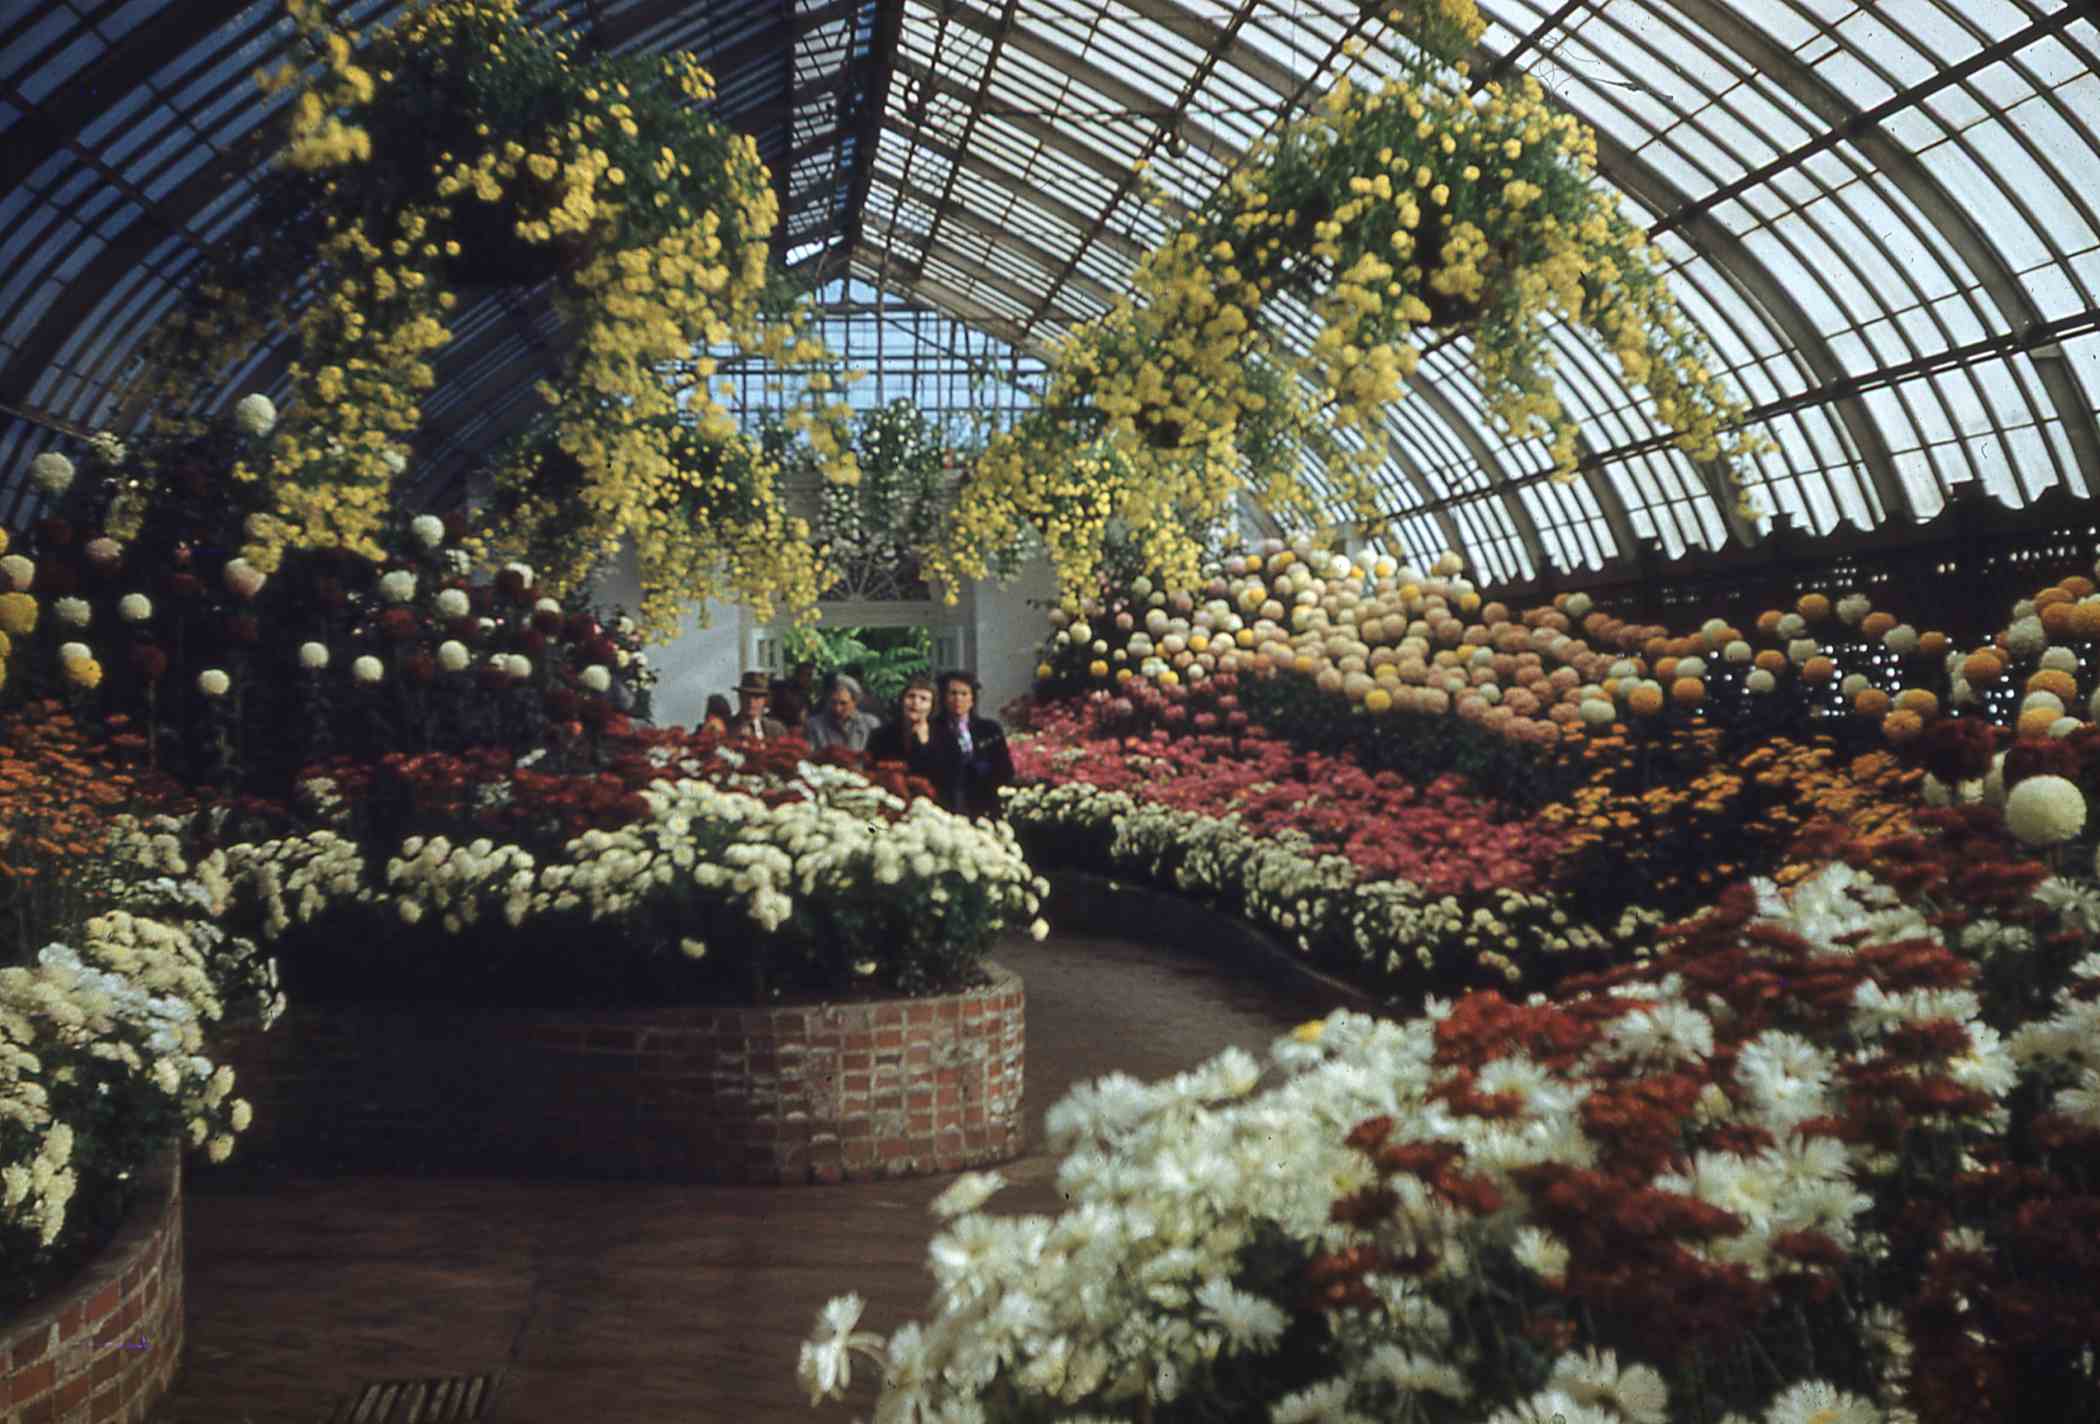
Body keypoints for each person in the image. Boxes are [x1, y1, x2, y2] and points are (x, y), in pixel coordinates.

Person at [927, 669, 1014, 818]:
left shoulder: (989, 729)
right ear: (944, 697)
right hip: (945, 804)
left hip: (983, 803)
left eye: (964, 694)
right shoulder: (932, 729)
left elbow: (1005, 770)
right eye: (953, 693)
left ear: (972, 699)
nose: (958, 699)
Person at [866, 674, 941, 785]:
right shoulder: (880, 734)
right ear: (902, 701)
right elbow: (870, 769)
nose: (915, 702)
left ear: (932, 706)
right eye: (911, 696)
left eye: (923, 699)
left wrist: (922, 743)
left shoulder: (944, 737)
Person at [805, 673, 882, 753]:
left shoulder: (870, 724)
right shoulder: (814, 725)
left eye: (843, 703)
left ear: (855, 702)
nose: (837, 708)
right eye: (833, 702)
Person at [729, 670, 789, 740]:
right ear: (740, 697)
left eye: (756, 697)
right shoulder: (726, 726)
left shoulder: (776, 730)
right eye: (747, 696)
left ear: (765, 700)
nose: (751, 701)